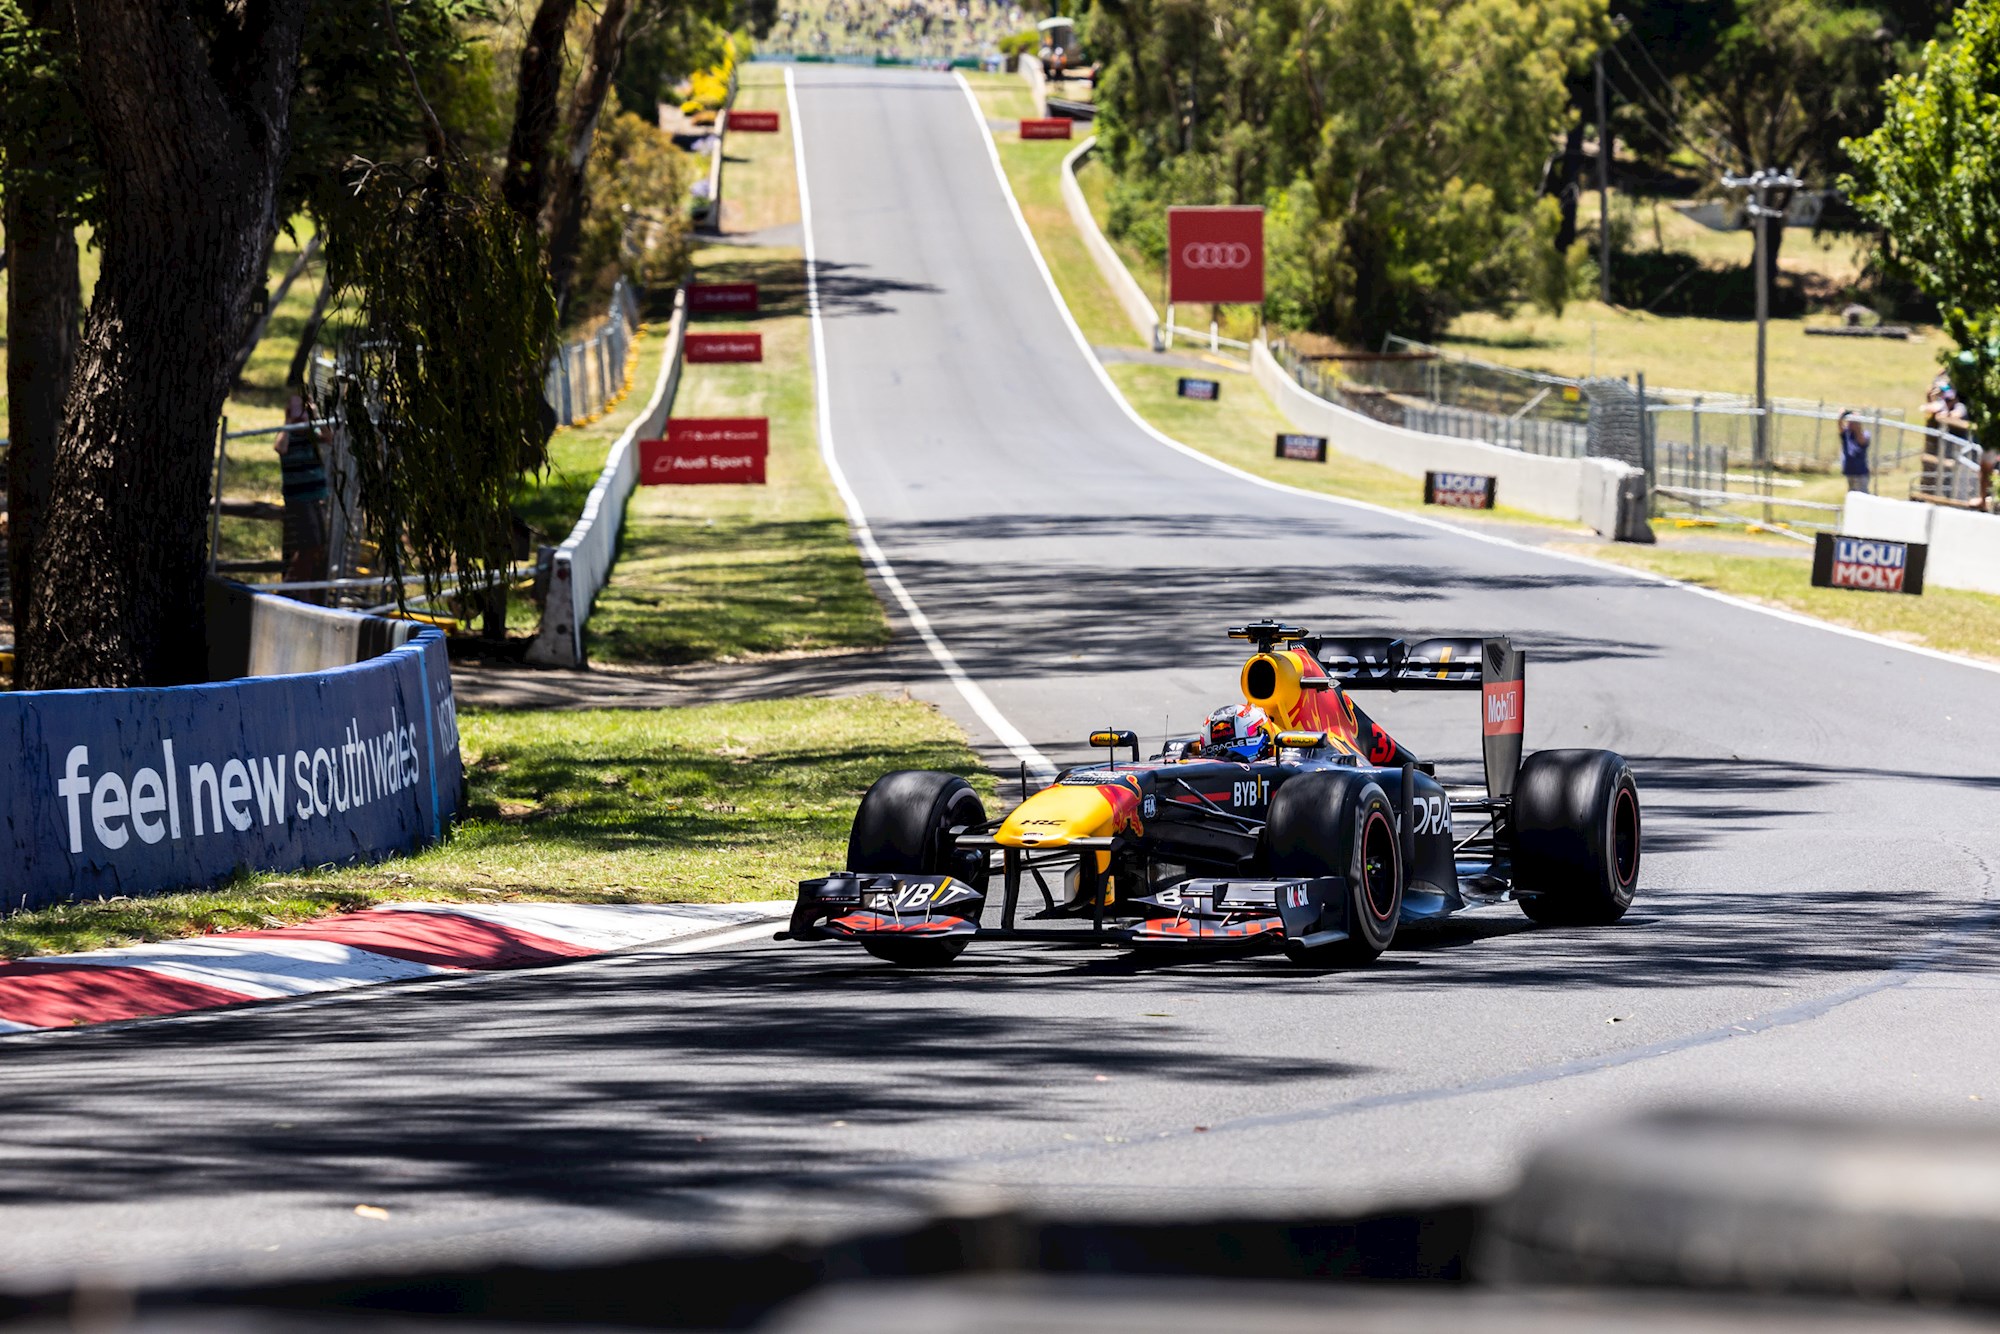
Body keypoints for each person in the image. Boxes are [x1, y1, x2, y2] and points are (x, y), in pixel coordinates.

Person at [277, 391, 331, 599]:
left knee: (317, 543)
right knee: (309, 543)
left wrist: (316, 417)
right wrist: (288, 422)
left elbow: (329, 437)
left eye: (304, 410)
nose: (302, 416)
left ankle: (295, 584)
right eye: (297, 410)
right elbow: (280, 447)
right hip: (298, 498)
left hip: (314, 496)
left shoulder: (311, 435)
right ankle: (297, 587)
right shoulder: (288, 435)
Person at [1837, 411, 1871, 494]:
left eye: (1852, 422)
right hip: (1849, 471)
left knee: (1862, 494)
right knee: (1851, 494)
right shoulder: (1846, 434)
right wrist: (1842, 415)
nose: (1849, 424)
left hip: (1860, 472)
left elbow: (1861, 441)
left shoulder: (1865, 434)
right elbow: (1840, 425)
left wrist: (1857, 426)